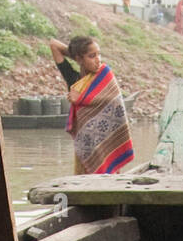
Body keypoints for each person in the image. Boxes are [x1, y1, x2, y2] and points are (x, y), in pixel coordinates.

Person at [48, 35, 135, 175]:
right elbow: (54, 44)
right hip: (86, 147)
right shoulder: (74, 80)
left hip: (107, 145)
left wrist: (82, 98)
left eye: (99, 54)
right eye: (92, 56)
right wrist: (76, 52)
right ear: (78, 59)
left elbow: (113, 101)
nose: (98, 60)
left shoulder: (105, 75)